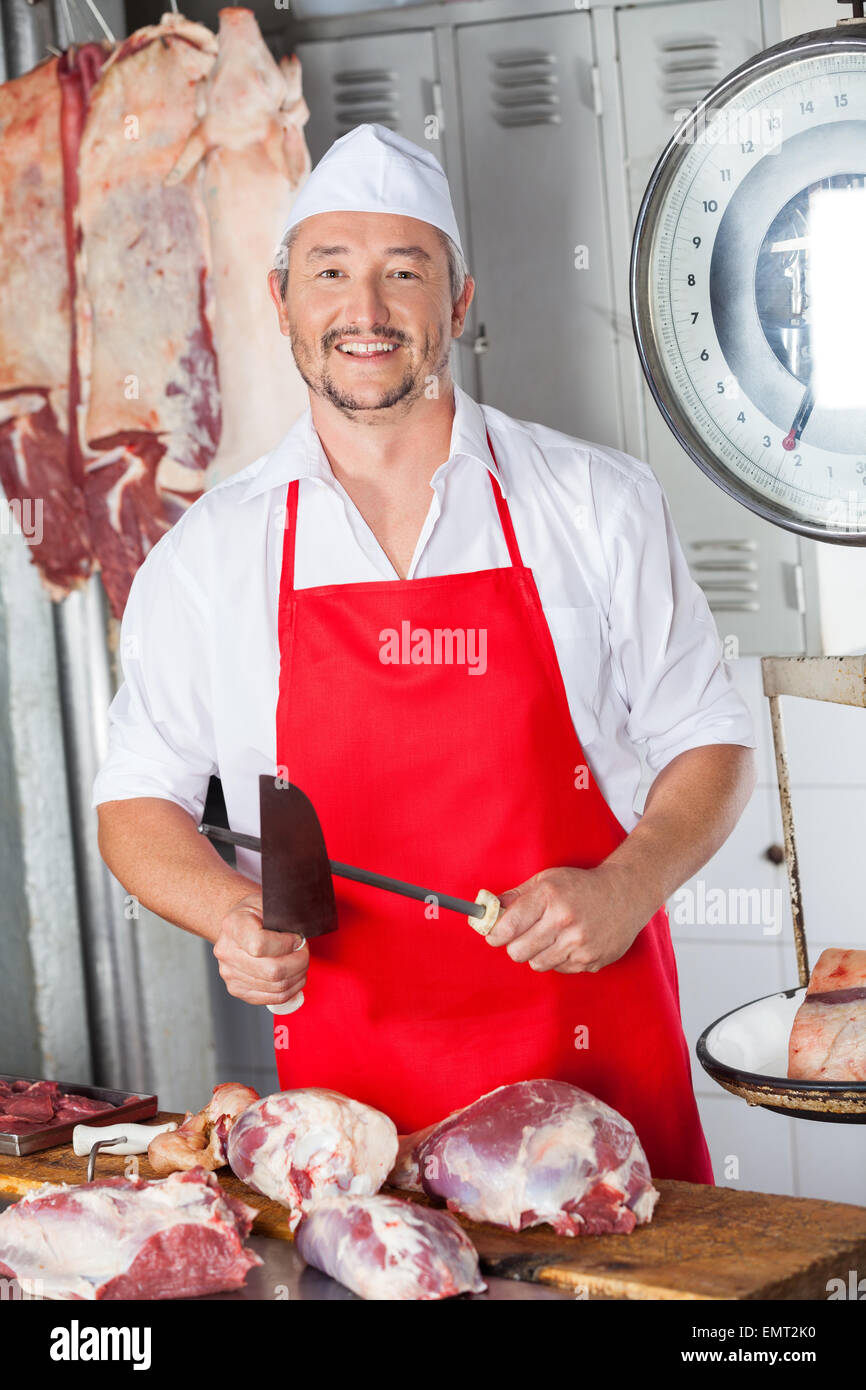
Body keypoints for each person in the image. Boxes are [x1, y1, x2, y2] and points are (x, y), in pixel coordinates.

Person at [94, 124, 756, 1180]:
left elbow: (711, 743)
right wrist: (229, 912)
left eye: (403, 272)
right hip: (357, 1125)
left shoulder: (595, 504)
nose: (364, 311)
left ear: (456, 302)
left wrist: (626, 886)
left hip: (598, 1092)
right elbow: (135, 802)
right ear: (282, 304)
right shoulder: (211, 552)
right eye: (330, 273)